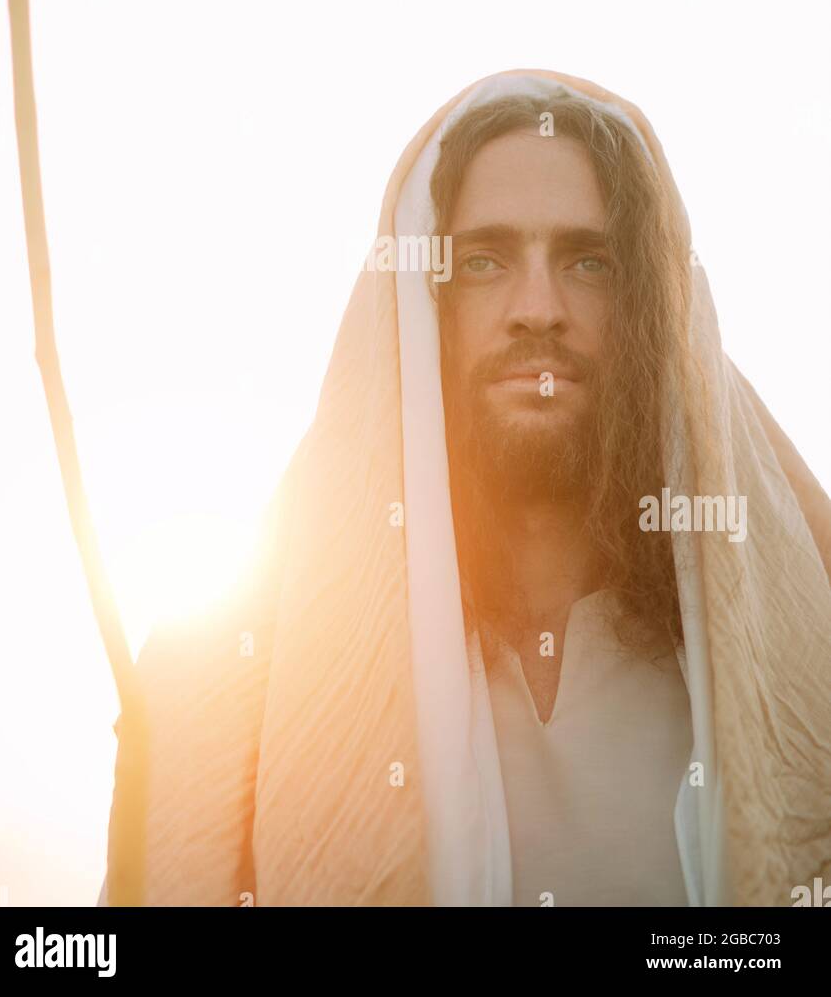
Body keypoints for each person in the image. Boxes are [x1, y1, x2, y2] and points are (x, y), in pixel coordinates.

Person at [99, 69, 831, 907]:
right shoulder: (273, 680)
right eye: (484, 261)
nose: (538, 308)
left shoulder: (761, 661)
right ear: (423, 305)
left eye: (589, 262)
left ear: (648, 309)